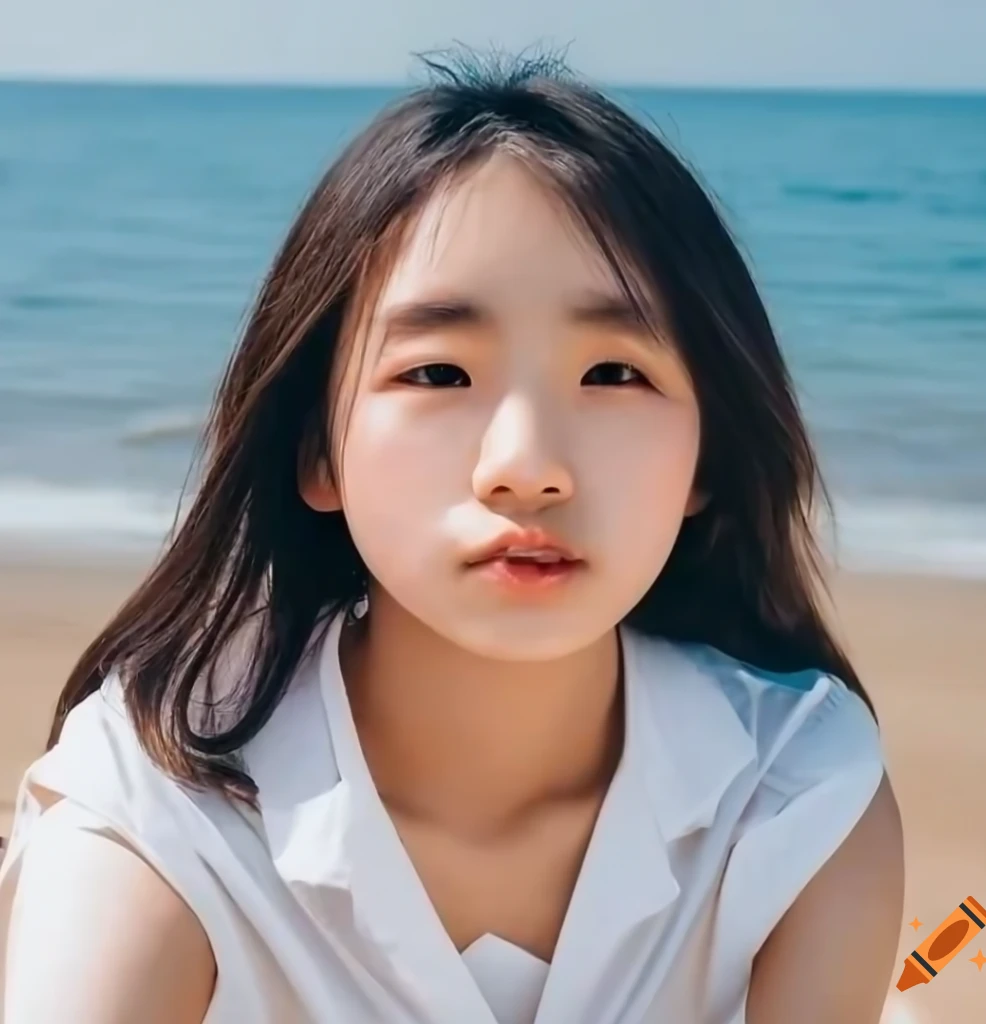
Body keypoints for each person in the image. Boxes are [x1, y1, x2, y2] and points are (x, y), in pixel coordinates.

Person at [0, 51, 904, 1023]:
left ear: (708, 462)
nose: (526, 466)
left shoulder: (795, 793)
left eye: (613, 373)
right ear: (319, 452)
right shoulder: (159, 806)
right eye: (437, 374)